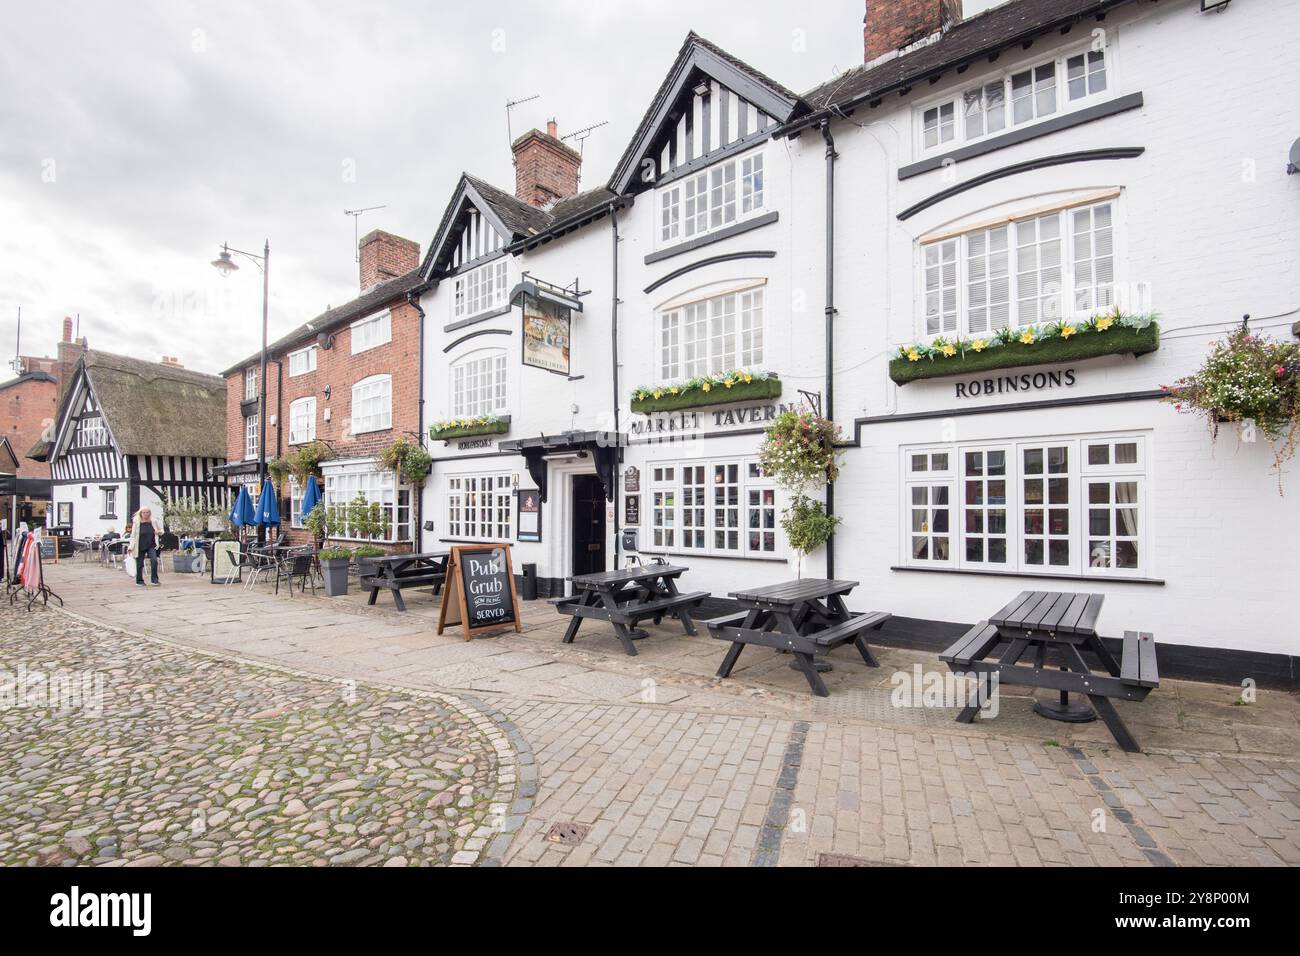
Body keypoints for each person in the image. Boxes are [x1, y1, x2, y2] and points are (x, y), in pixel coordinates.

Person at [130, 507, 162, 587]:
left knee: (154, 560)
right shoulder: (136, 522)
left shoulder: (153, 521)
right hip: (140, 545)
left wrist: (159, 532)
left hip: (151, 545)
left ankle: (154, 580)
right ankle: (139, 581)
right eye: (144, 512)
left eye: (147, 512)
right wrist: (131, 546)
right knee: (140, 563)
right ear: (141, 513)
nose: (146, 514)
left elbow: (161, 530)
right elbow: (133, 535)